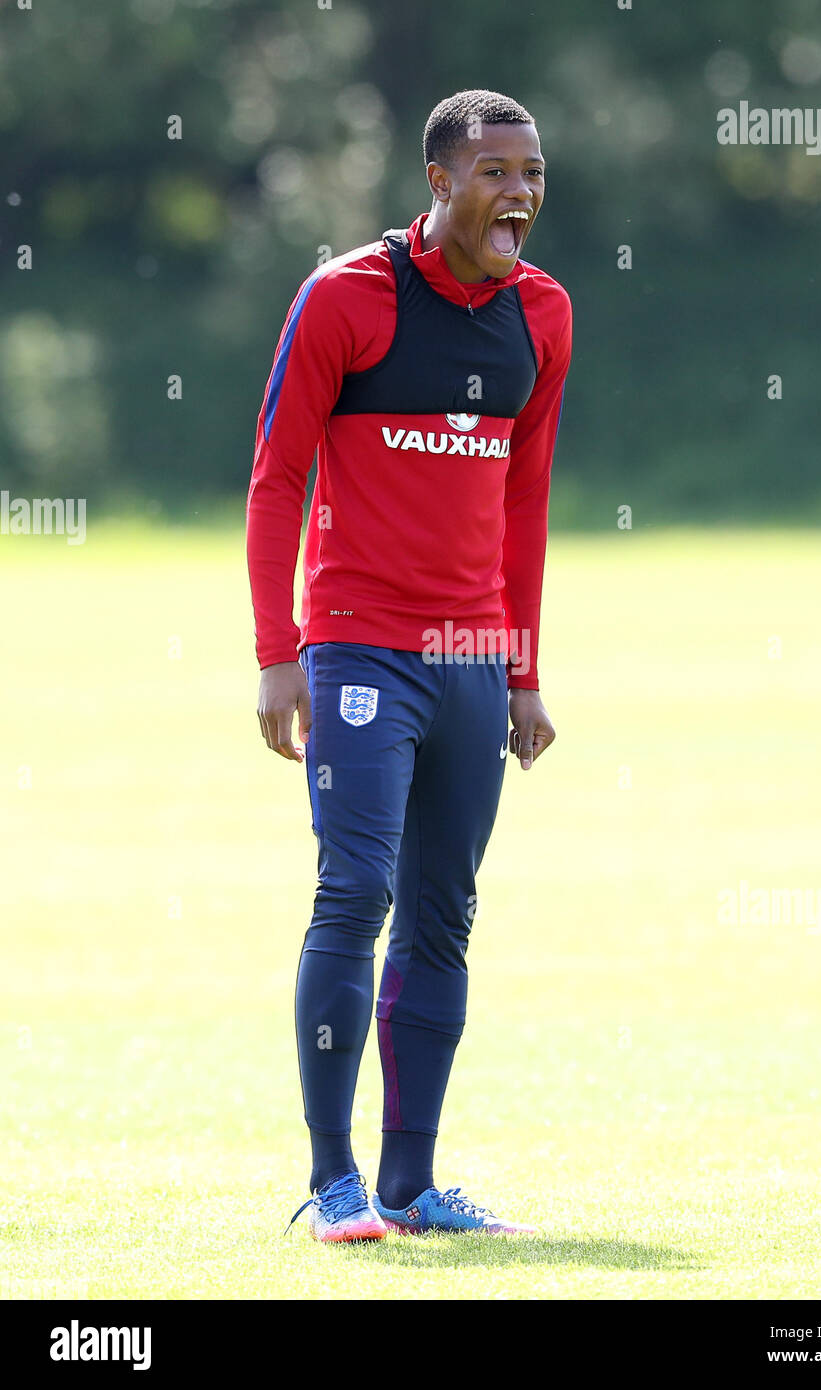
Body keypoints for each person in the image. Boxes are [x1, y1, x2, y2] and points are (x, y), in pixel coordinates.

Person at [246, 89, 572, 1242]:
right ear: (439, 182)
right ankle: (332, 1179)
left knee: (444, 913)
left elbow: (524, 502)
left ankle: (410, 1184)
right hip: (356, 646)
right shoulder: (346, 298)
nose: (519, 194)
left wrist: (523, 669)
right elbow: (277, 475)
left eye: (531, 172)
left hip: (473, 654)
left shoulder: (543, 314)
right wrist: (277, 653)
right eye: (495, 172)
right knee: (356, 891)